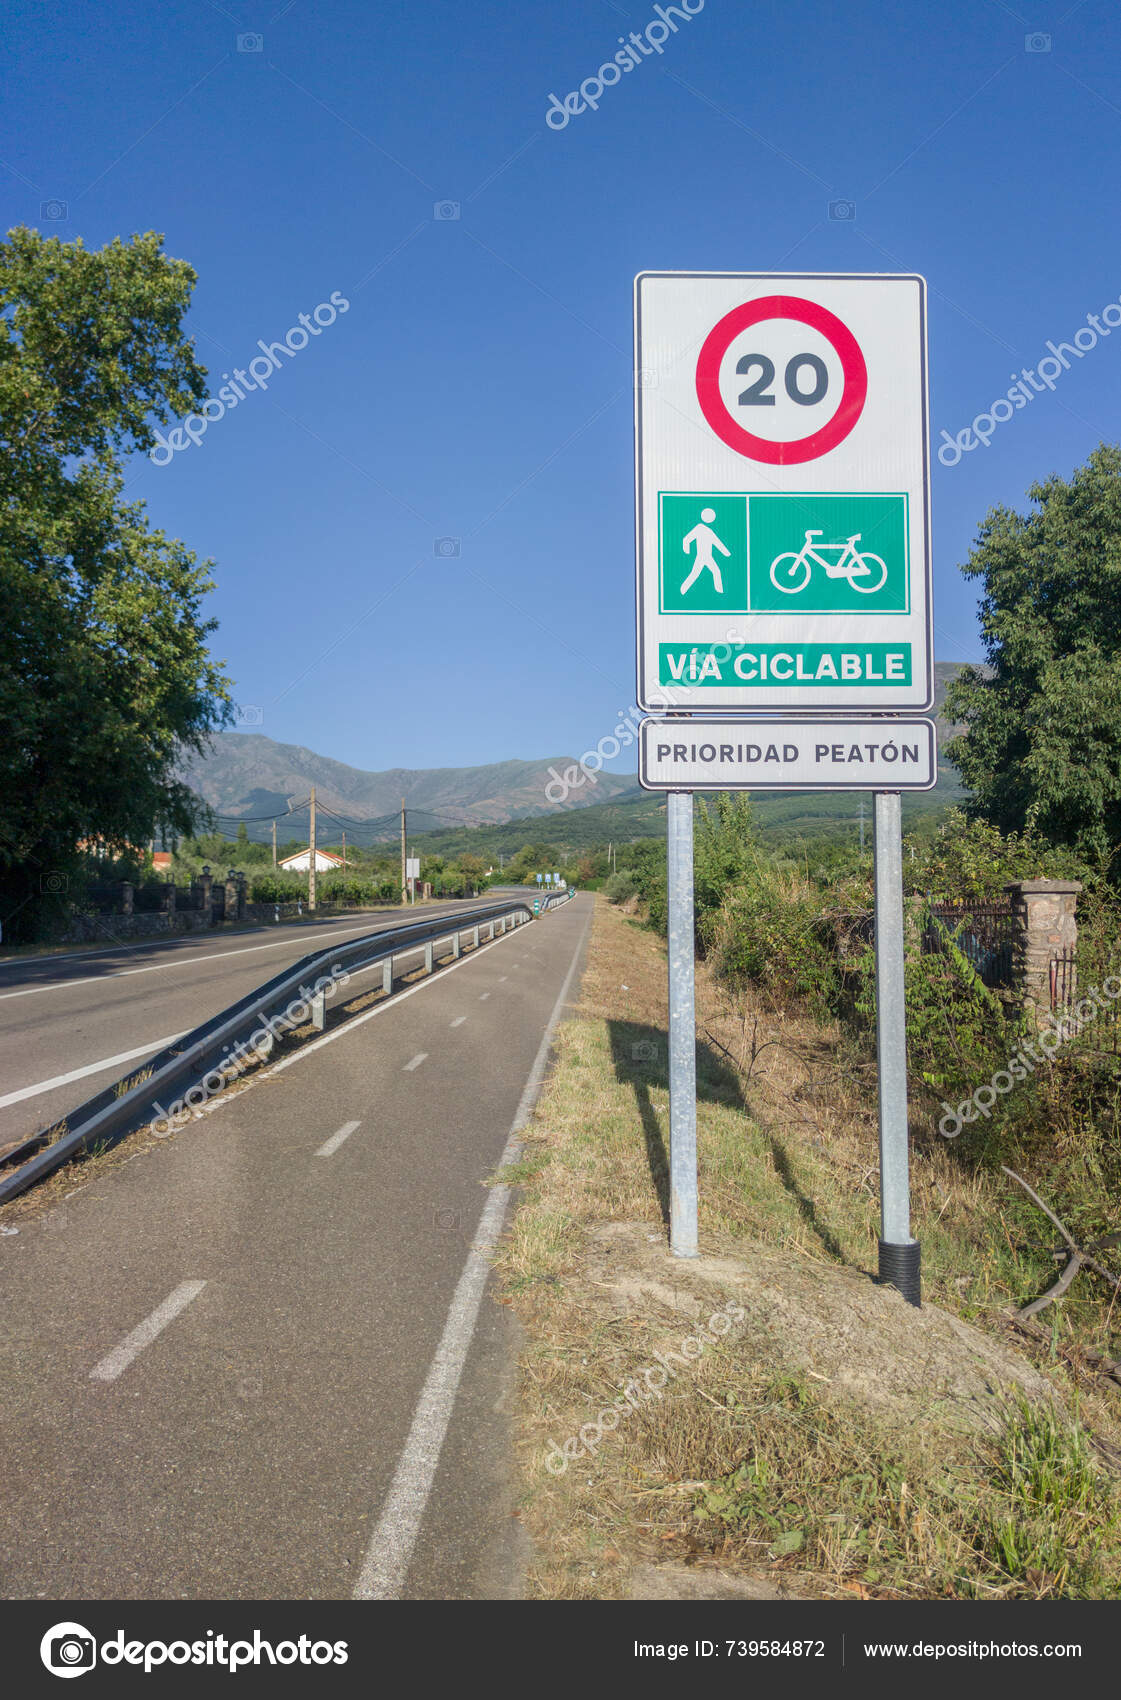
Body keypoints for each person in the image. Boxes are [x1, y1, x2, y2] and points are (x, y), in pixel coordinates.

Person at [680, 507, 731, 595]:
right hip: (701, 557)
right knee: (695, 574)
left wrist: (727, 553)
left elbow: (717, 543)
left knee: (716, 572)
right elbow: (686, 539)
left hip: (708, 557)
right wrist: (687, 550)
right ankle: (683, 590)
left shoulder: (710, 531)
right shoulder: (699, 528)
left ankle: (720, 592)